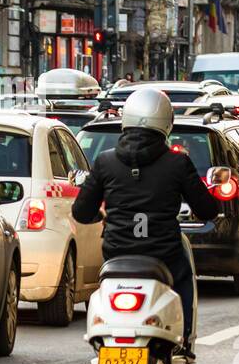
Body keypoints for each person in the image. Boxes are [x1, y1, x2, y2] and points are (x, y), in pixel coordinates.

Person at [71, 88, 216, 349]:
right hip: (165, 254)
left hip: (117, 252)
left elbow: (81, 212)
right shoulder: (178, 163)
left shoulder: (105, 161)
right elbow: (208, 210)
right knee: (183, 278)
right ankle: (183, 340)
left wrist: (100, 214)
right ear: (166, 123)